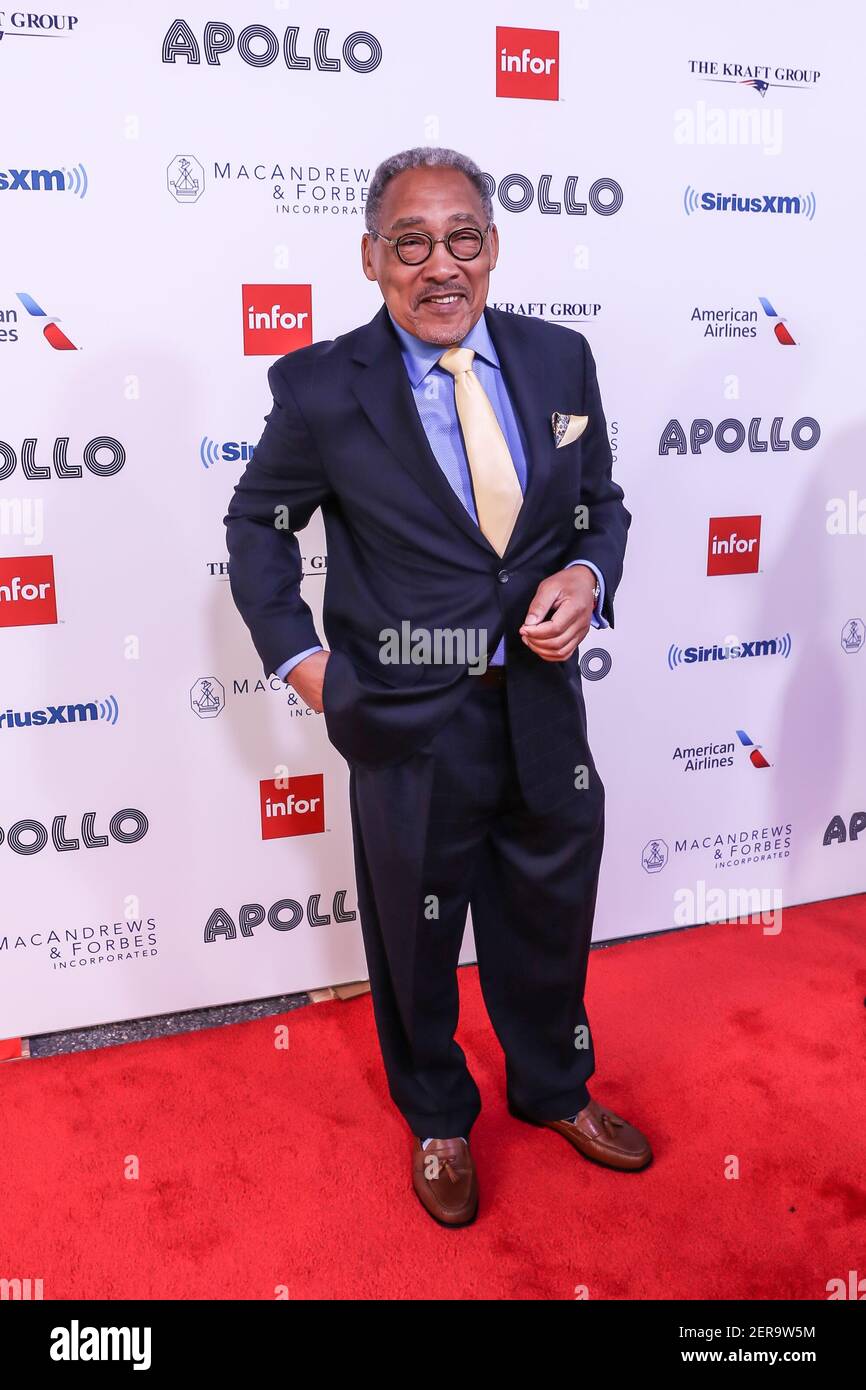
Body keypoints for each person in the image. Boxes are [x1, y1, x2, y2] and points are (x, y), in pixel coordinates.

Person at [224, 146, 651, 1227]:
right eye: (410, 243)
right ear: (372, 258)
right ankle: (436, 1118)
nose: (439, 265)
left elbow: (599, 499)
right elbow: (257, 527)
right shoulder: (322, 387)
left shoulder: (560, 360)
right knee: (416, 937)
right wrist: (304, 666)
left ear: (492, 248)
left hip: (542, 705)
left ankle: (554, 1086)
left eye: (461, 237)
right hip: (406, 721)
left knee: (550, 914)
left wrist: (586, 573)